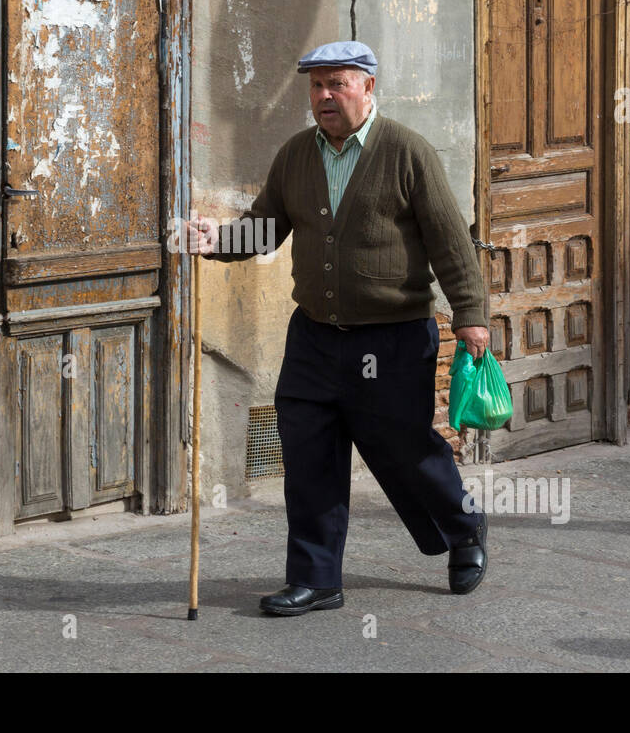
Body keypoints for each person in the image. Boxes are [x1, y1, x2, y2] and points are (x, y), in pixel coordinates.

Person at [185, 40, 491, 616]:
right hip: (316, 337)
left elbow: (450, 241)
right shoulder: (297, 154)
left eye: (337, 84)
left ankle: (464, 526)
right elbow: (266, 230)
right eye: (316, 86)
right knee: (308, 457)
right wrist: (215, 242)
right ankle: (317, 577)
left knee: (406, 451)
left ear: (368, 87)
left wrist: (471, 314)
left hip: (392, 336)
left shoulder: (407, 152)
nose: (324, 96)